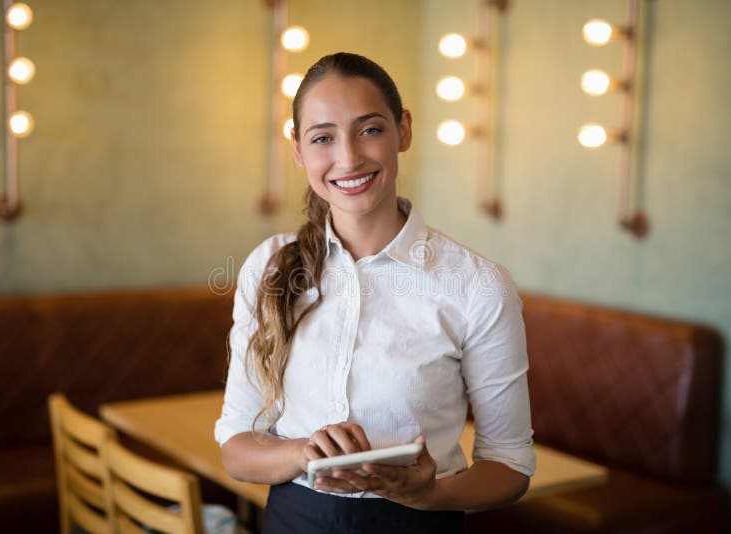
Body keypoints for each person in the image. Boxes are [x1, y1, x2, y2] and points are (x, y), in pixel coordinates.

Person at [214, 52, 535, 533]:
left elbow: (509, 466)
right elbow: (238, 447)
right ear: (299, 150)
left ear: (403, 130)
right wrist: (307, 452)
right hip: (293, 521)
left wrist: (431, 493)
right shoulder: (268, 266)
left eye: (369, 130)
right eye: (322, 137)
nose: (348, 157)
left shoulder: (478, 285)